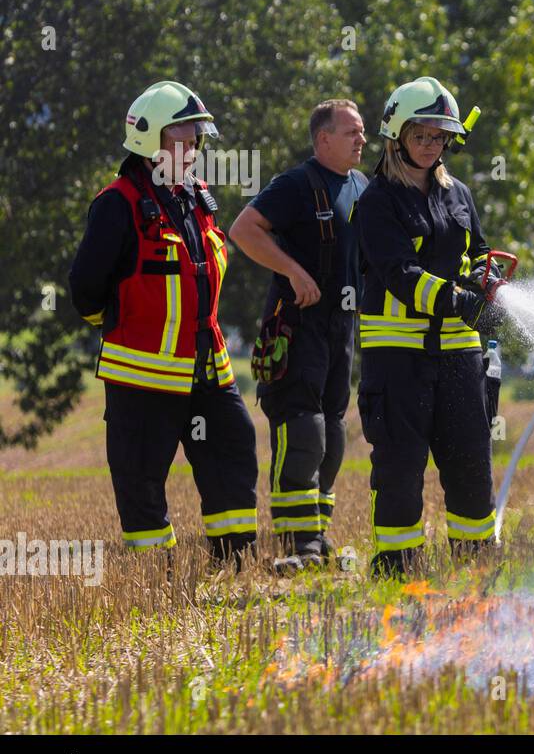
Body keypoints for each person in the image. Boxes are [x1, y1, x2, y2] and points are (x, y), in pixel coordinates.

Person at [68, 81, 258, 567]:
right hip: (143, 375)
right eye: (185, 138)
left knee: (232, 453)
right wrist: (126, 328)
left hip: (207, 367)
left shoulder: (196, 196)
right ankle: (156, 577)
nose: (194, 148)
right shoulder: (117, 204)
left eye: (198, 139)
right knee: (141, 479)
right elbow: (86, 289)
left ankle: (235, 564)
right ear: (150, 140)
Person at [353, 76, 503, 576]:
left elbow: (478, 252)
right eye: (421, 136)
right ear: (397, 136)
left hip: (460, 358)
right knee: (399, 470)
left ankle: (476, 567)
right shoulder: (377, 201)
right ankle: (397, 572)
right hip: (399, 362)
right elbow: (399, 274)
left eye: (440, 137)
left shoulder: (457, 193)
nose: (431, 146)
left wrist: (489, 280)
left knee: (471, 468)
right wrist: (459, 299)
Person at [228, 100, 368, 571]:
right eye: (351, 132)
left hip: (341, 332)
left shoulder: (362, 187)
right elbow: (243, 230)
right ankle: (296, 545)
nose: (362, 140)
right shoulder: (293, 185)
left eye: (363, 131)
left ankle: (318, 538)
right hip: (297, 330)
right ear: (322, 139)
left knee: (332, 435)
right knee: (303, 431)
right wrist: (292, 272)